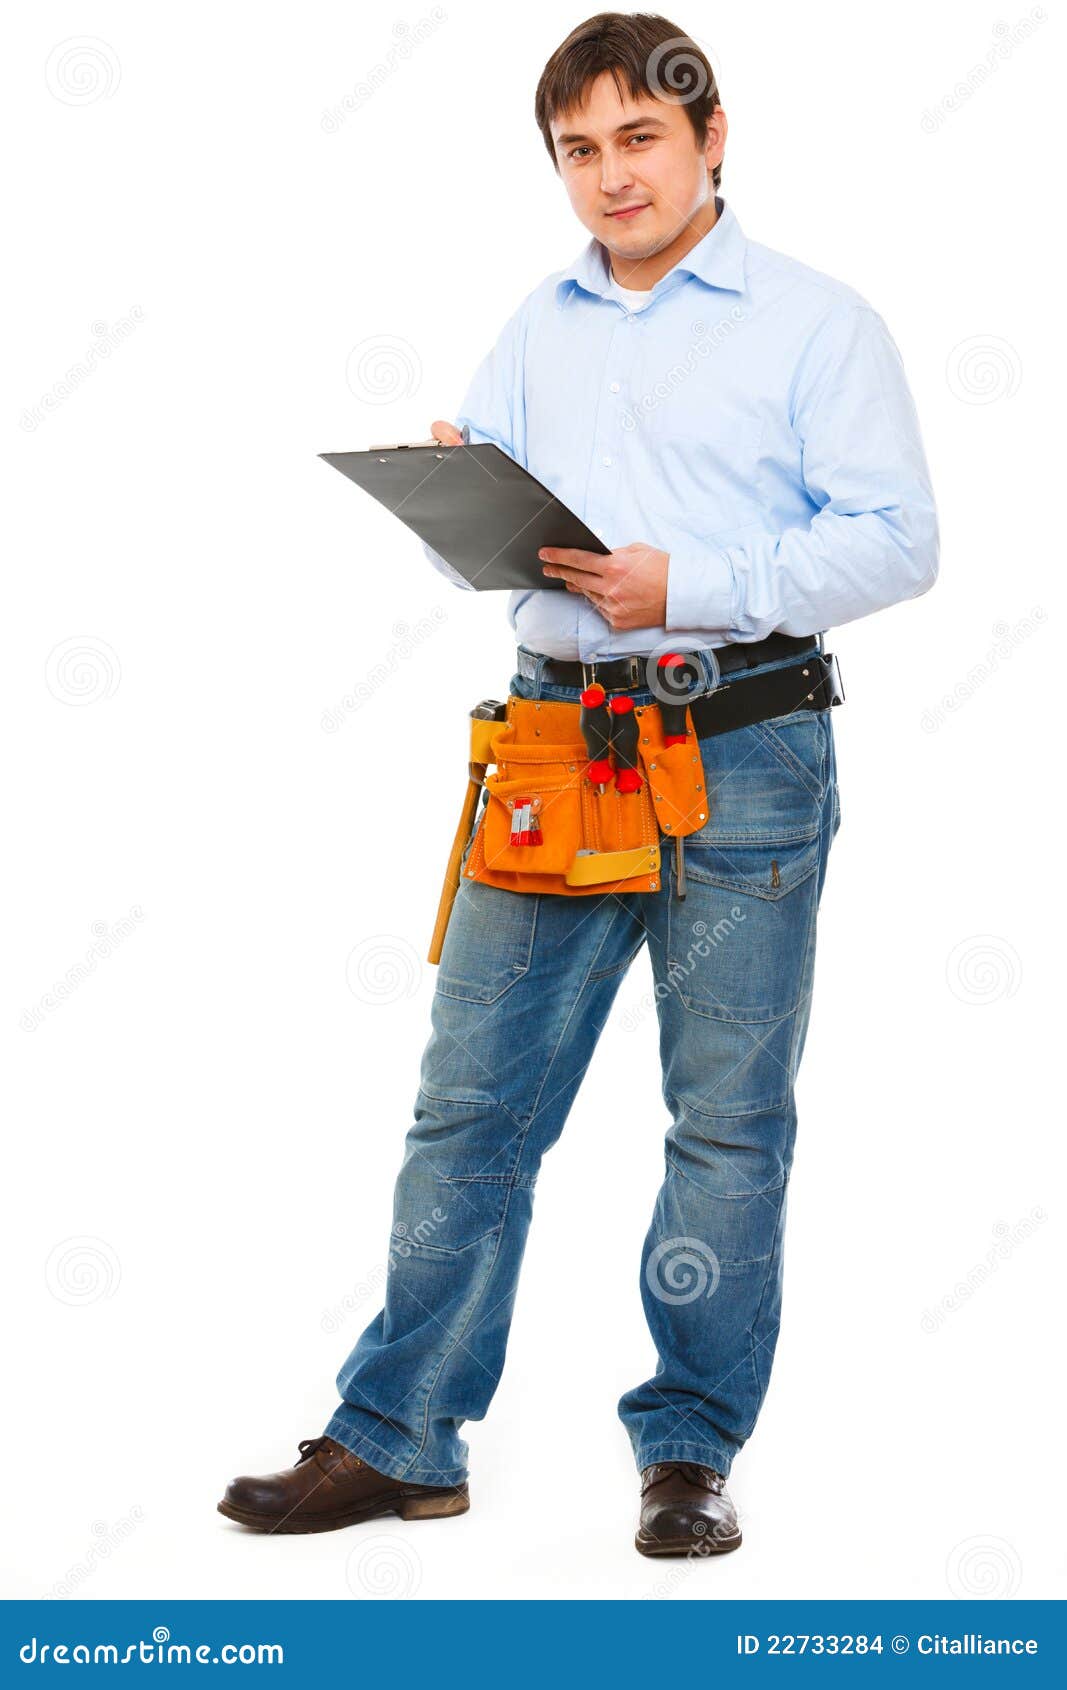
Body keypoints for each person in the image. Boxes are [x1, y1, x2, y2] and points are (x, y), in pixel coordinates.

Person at [218, 10, 937, 1557]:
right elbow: (508, 533)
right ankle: (398, 1435)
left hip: (743, 745)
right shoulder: (537, 322)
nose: (611, 178)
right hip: (556, 748)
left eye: (639, 140)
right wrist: (452, 486)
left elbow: (896, 539)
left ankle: (687, 1451)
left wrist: (692, 578)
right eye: (580, 151)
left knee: (728, 1120)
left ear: (711, 134)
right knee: (469, 1101)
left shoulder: (819, 324)